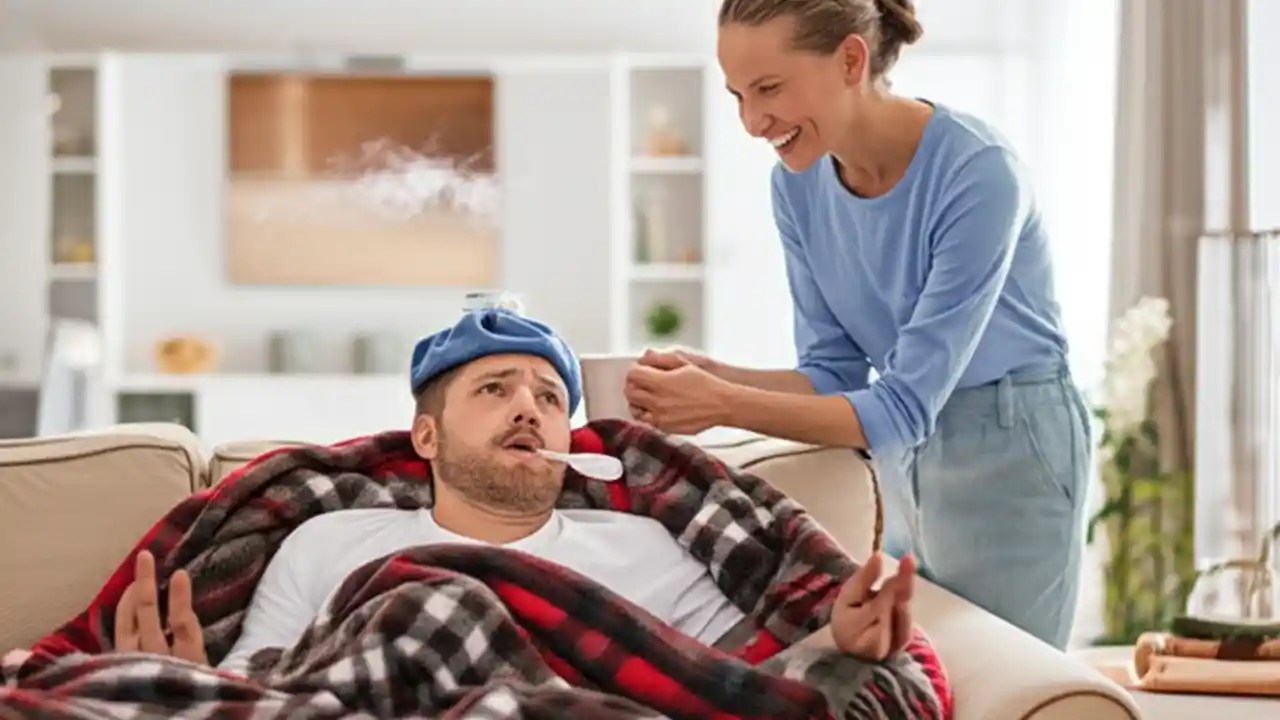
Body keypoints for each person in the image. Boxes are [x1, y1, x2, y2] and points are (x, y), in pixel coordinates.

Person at [623, 0, 1090, 651]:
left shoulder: (978, 174)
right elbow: (832, 374)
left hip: (1012, 450)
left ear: (850, 59)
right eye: (737, 95)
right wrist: (711, 375)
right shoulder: (798, 184)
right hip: (901, 463)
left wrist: (723, 404)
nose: (753, 122)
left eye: (770, 89)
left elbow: (900, 406)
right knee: (916, 674)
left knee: (1008, 675)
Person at [110, 308, 917, 673]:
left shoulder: (649, 548)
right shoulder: (327, 541)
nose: (529, 407)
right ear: (425, 438)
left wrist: (833, 646)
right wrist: (177, 687)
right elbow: (262, 694)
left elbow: (742, 683)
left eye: (550, 398)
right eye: (494, 390)